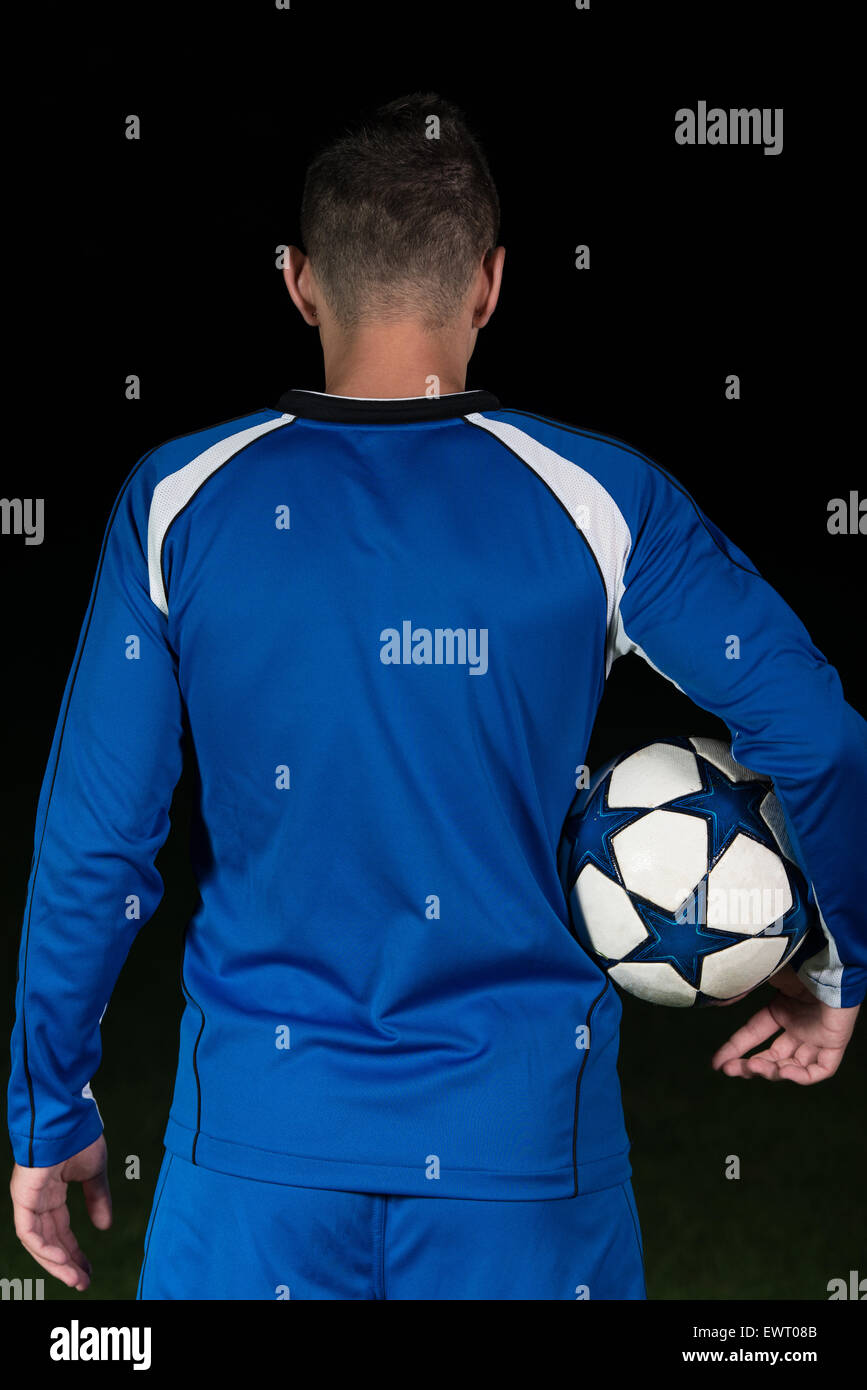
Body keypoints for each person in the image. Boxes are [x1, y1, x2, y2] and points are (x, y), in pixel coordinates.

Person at [8, 93, 865, 1301]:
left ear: (299, 282)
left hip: (256, 1171)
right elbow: (818, 732)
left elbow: (96, 843)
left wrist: (50, 1106)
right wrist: (837, 967)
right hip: (524, 1175)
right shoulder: (600, 499)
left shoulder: (177, 499)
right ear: (491, 284)